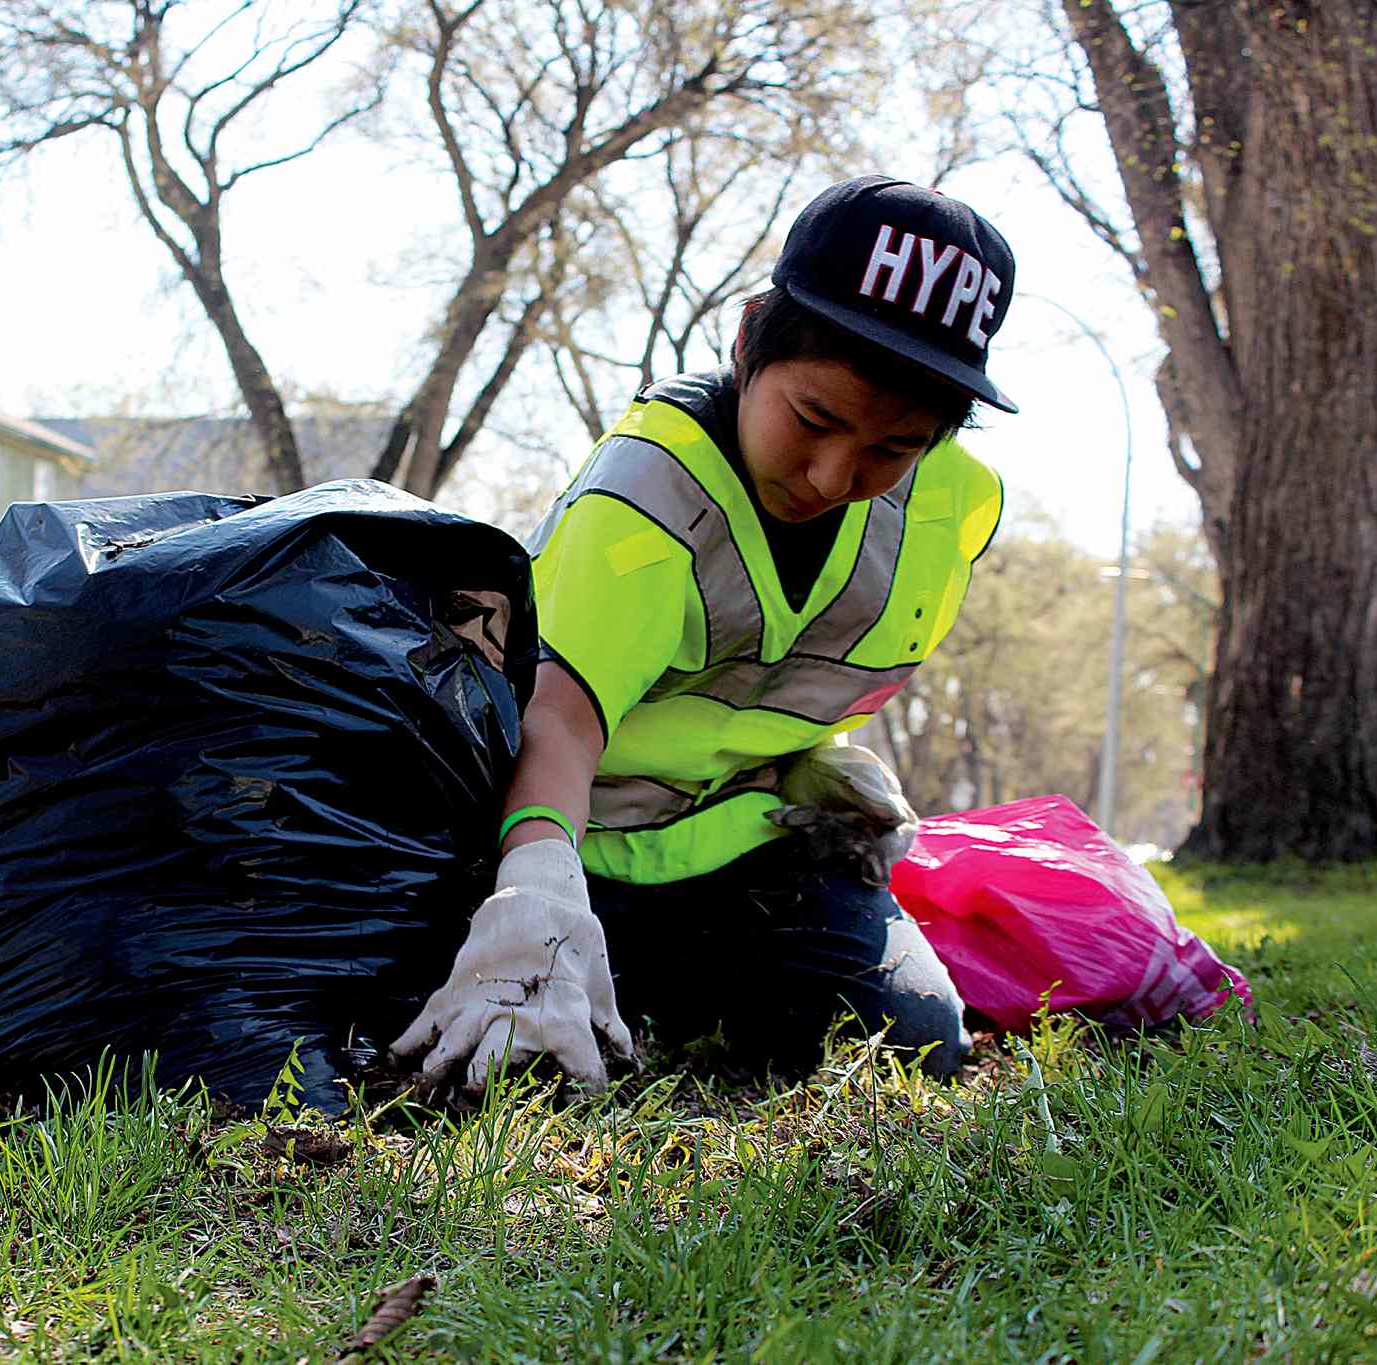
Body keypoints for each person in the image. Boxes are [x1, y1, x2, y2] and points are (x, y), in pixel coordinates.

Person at [392, 176, 1017, 1092]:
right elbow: (560, 717)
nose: (833, 473)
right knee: (505, 1059)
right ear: (749, 334)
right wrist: (534, 889)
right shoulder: (647, 492)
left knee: (915, 1044)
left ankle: (673, 1000)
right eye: (814, 418)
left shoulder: (952, 507)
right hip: (577, 847)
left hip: (744, 853)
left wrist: (815, 760)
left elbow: (784, 670)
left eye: (894, 447)